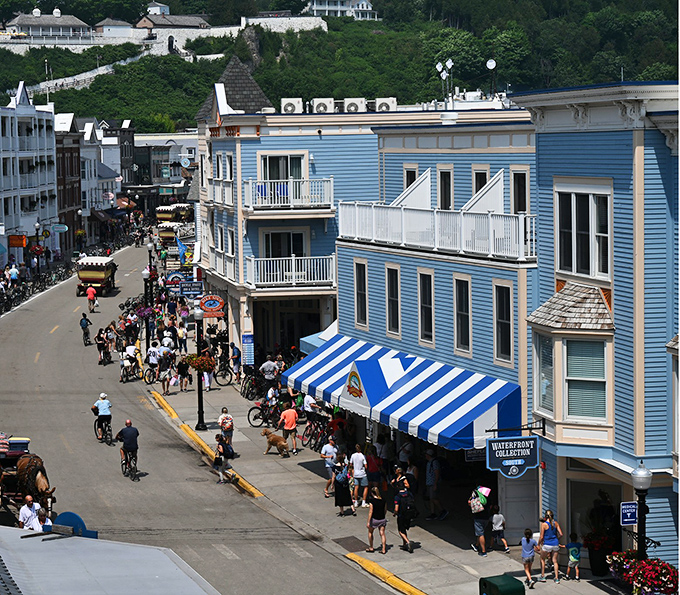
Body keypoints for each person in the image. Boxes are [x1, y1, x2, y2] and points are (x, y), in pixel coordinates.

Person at [538, 509, 563, 583]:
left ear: (546, 516)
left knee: (542, 559)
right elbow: (561, 534)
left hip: (547, 544)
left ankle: (542, 576)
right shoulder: (556, 523)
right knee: (555, 561)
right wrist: (556, 539)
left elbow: (541, 537)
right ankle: (556, 578)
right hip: (555, 544)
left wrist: (538, 543)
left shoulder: (544, 524)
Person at [424, 449, 448, 520]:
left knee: (433, 498)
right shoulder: (429, 462)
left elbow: (437, 473)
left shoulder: (434, 462)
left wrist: (435, 483)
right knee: (431, 499)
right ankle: (432, 513)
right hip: (429, 482)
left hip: (432, 483)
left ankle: (442, 510)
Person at [393, 485, 416, 553]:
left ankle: (408, 542)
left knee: (400, 531)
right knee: (404, 529)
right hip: (409, 514)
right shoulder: (409, 494)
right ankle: (404, 544)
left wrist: (395, 513)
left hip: (401, 515)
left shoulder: (397, 496)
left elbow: (396, 509)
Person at [366, 487, 387, 554]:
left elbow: (370, 511)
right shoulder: (383, 500)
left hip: (374, 519)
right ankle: (383, 549)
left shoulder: (372, 501)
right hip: (382, 519)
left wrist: (368, 521)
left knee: (370, 532)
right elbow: (385, 510)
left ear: (372, 493)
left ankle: (371, 547)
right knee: (382, 533)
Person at [334, 448, 355, 516]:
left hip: (338, 483)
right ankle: (352, 509)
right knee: (347, 496)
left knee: (340, 497)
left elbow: (333, 476)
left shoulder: (335, 467)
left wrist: (332, 484)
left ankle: (342, 511)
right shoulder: (345, 466)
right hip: (345, 483)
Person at [469, 487, 489, 557]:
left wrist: (471, 497)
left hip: (478, 518)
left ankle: (483, 551)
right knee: (480, 532)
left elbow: (469, 503)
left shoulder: (476, 498)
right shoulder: (487, 498)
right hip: (486, 518)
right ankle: (476, 545)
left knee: (481, 534)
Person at [349, 443, 369, 507]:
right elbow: (366, 466)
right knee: (365, 487)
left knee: (356, 488)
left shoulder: (353, 455)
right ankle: (363, 501)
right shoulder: (363, 456)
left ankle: (356, 502)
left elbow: (351, 464)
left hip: (355, 473)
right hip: (362, 473)